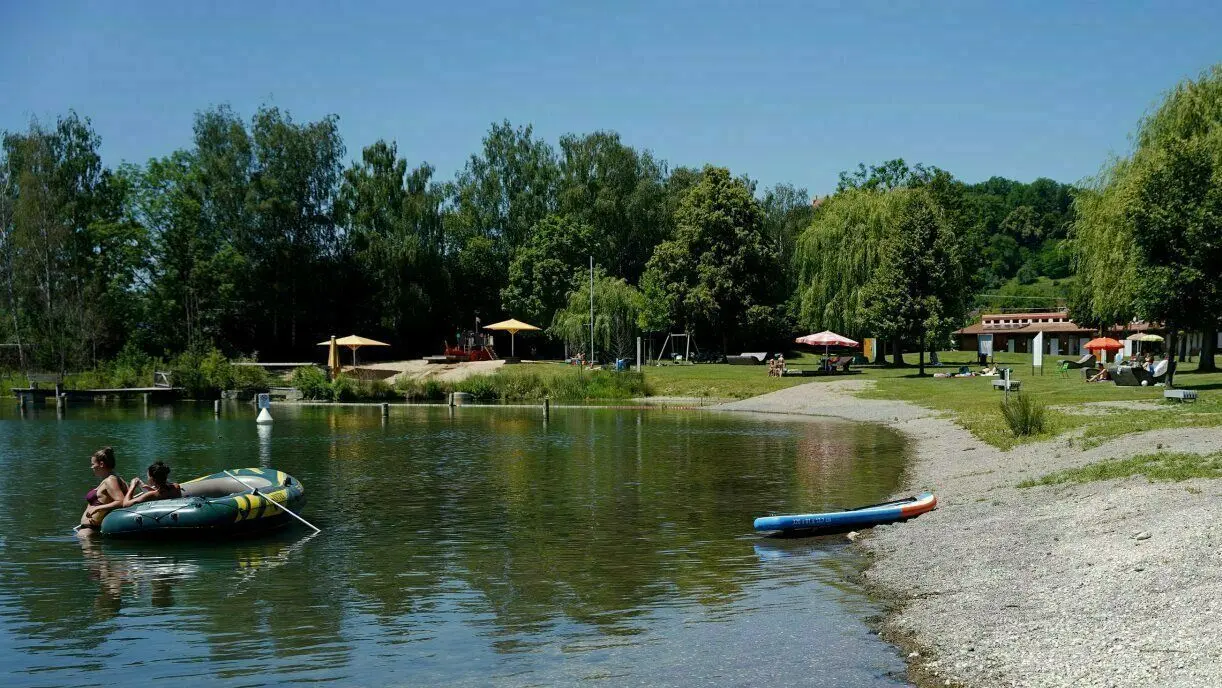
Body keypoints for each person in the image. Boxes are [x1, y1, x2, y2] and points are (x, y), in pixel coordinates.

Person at [79, 447, 129, 533]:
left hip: (90, 530)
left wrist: (97, 508)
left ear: (101, 464)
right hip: (90, 529)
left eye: (93, 464)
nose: (92, 467)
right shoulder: (115, 479)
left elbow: (121, 501)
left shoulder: (110, 480)